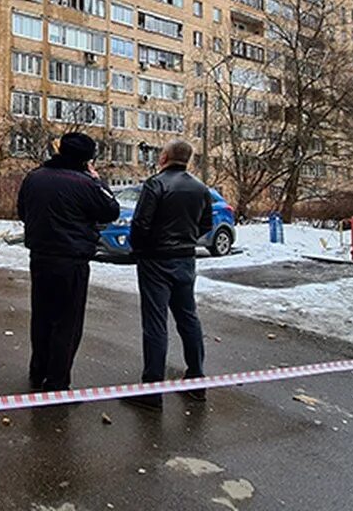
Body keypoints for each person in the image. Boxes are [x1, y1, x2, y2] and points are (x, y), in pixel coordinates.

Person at [17, 132, 121, 392]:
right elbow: (112, 210)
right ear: (87, 160)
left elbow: (23, 211)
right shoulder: (86, 184)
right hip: (71, 261)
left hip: (40, 257)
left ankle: (37, 371)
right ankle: (57, 382)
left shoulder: (35, 177)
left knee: (41, 317)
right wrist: (99, 181)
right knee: (67, 323)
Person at [123, 139, 213, 411]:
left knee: (155, 322)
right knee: (188, 317)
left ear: (164, 157)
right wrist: (185, 240)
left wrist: (139, 249)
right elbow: (206, 224)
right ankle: (197, 378)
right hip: (185, 260)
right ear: (188, 160)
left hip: (155, 260)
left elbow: (141, 223)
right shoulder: (200, 188)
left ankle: (152, 389)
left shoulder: (156, 184)